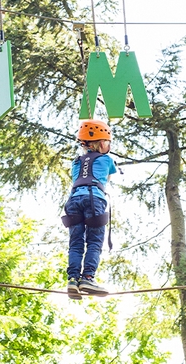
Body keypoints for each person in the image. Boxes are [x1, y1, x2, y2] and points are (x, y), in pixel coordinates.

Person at [61, 119, 117, 299]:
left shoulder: (76, 162)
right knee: (94, 241)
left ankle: (73, 279)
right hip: (94, 200)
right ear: (101, 143)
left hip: (73, 201)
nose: (109, 146)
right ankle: (87, 278)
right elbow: (108, 178)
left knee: (76, 243)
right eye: (107, 142)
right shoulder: (107, 159)